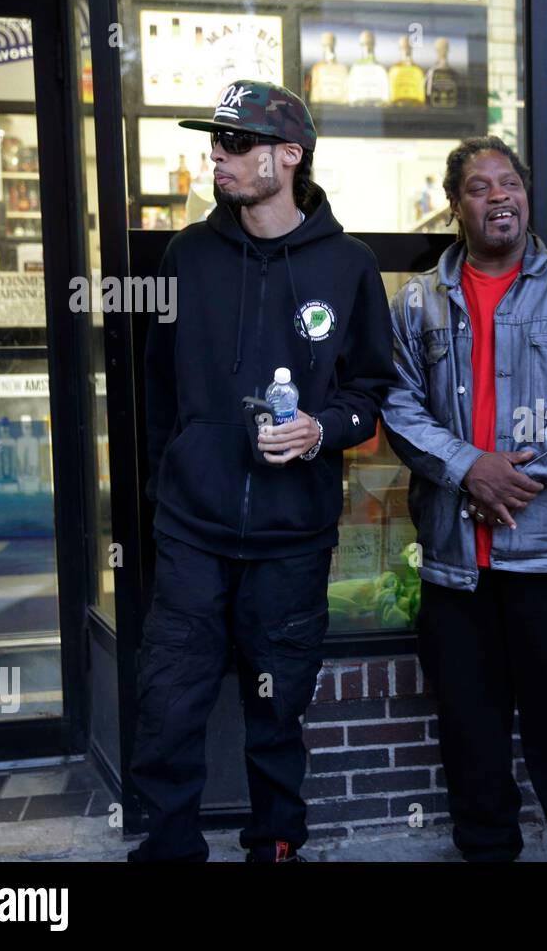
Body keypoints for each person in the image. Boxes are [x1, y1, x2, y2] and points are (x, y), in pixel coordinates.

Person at [129, 80, 395, 862]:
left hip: (292, 535)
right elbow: (157, 389)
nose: (218, 154)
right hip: (192, 533)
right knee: (169, 703)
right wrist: (165, 487)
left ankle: (276, 843)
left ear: (289, 155)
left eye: (237, 142)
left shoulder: (348, 266)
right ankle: (170, 848)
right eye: (215, 141)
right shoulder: (187, 256)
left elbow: (370, 391)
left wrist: (324, 428)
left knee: (276, 708)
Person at [381, 136, 547, 862]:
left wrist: (513, 480)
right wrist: (469, 470)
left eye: (510, 182)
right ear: (455, 206)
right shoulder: (419, 302)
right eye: (480, 187)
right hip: (458, 567)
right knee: (471, 737)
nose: (500, 196)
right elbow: (398, 407)